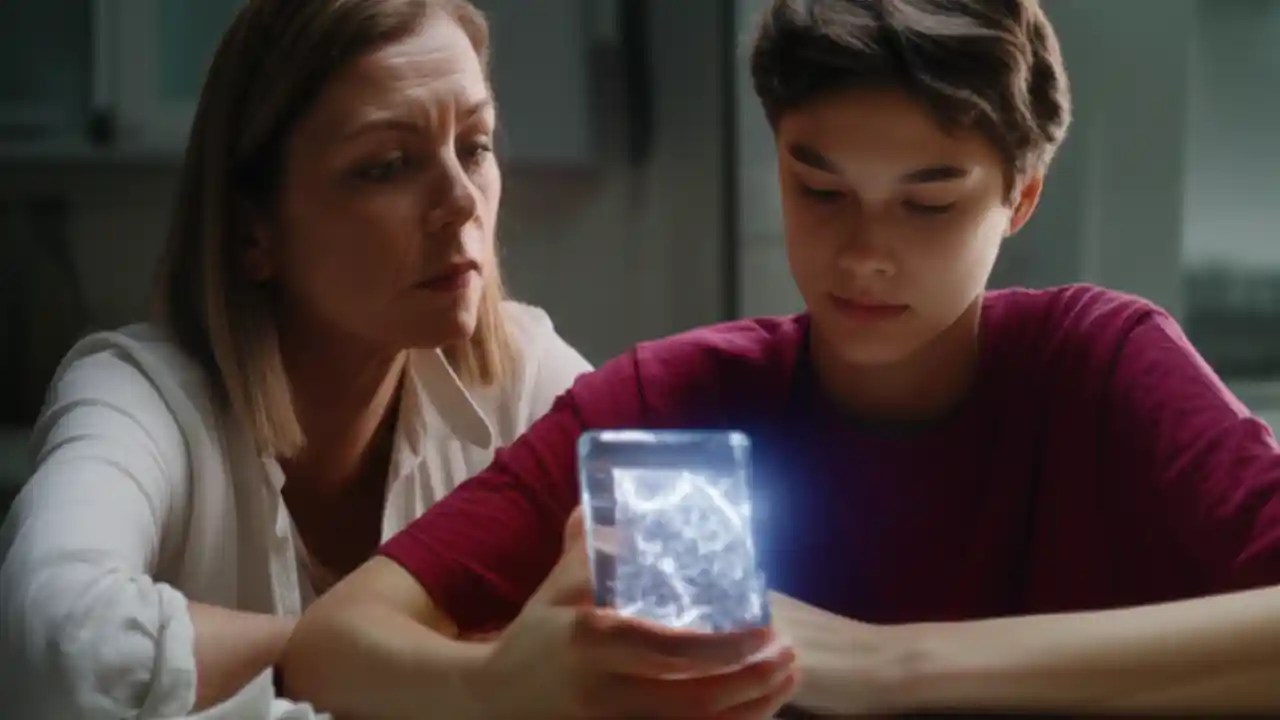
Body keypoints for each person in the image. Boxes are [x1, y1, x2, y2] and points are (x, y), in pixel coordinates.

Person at [283, 0, 1280, 717]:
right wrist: (502, 687)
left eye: (928, 203)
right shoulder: (669, 397)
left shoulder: (1100, 366)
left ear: (1019, 199)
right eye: (818, 189)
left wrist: (888, 669)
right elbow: (332, 646)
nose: (862, 254)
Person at [0, 1, 592, 717]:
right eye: (387, 166)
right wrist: (435, 665)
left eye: (475, 146)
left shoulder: (527, 381)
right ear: (256, 232)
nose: (461, 202)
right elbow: (49, 643)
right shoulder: (137, 397)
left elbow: (666, 607)